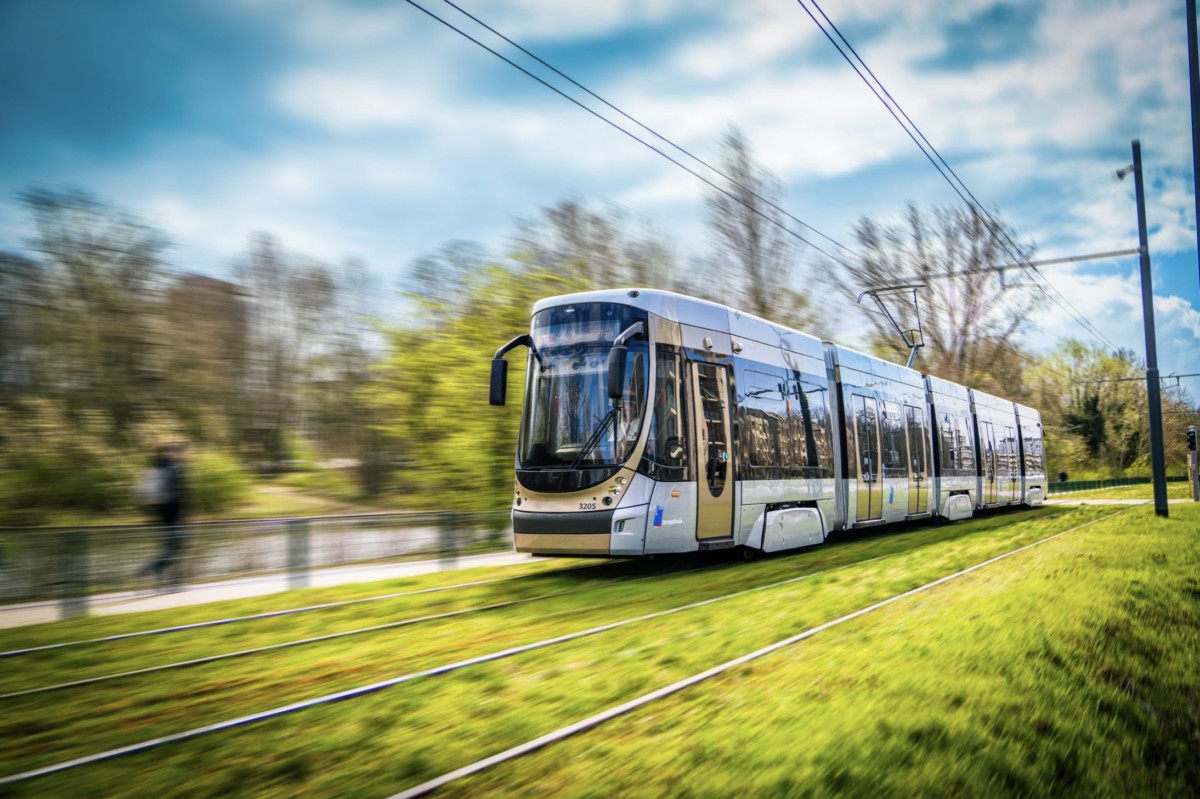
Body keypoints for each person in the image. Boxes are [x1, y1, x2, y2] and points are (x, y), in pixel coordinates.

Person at [138, 441, 188, 589]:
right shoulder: (169, 468)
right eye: (180, 452)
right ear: (171, 452)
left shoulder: (164, 467)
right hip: (169, 517)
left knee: (172, 548)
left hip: (168, 517)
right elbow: (173, 495)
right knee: (175, 548)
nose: (183, 455)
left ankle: (164, 579)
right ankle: (153, 571)